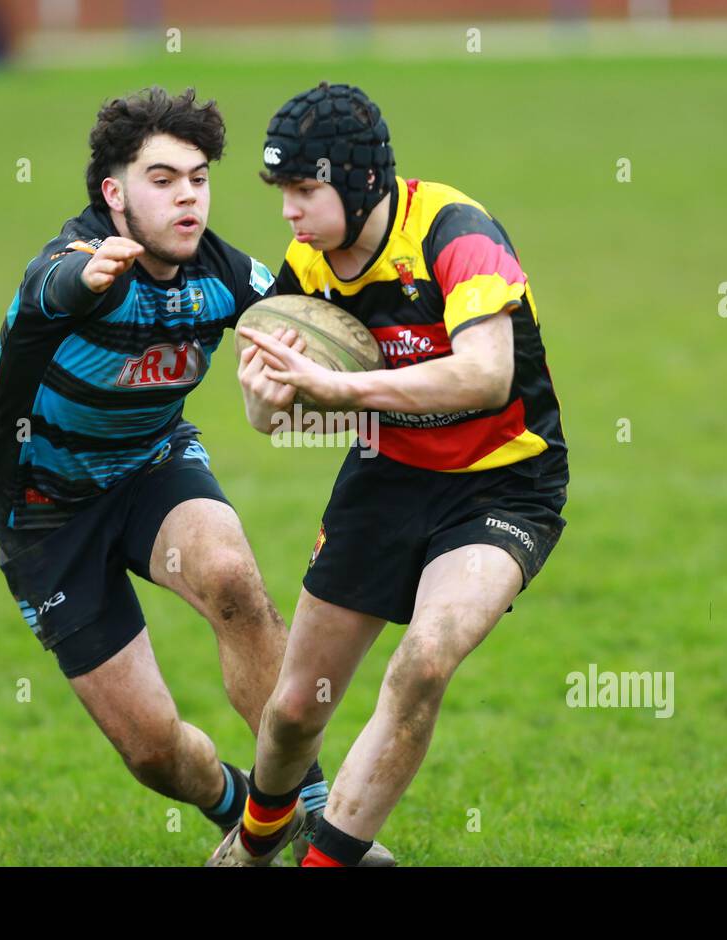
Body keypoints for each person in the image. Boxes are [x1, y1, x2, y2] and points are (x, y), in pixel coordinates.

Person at [0, 86, 391, 864]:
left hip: (150, 468)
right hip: (44, 510)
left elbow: (310, 315)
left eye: (198, 178)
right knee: (154, 752)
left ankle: (309, 814)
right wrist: (86, 280)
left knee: (230, 573)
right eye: (162, 179)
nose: (186, 197)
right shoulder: (74, 265)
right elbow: (48, 288)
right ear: (114, 193)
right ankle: (238, 805)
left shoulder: (225, 274)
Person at [210, 82, 568, 866]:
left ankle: (327, 860)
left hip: (503, 483)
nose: (289, 213)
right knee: (298, 706)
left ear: (360, 179)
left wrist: (339, 391)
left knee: (424, 662)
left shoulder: (455, 232)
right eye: (282, 193)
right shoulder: (307, 267)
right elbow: (272, 418)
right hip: (387, 476)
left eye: (305, 190)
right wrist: (265, 398)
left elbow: (484, 375)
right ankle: (262, 832)